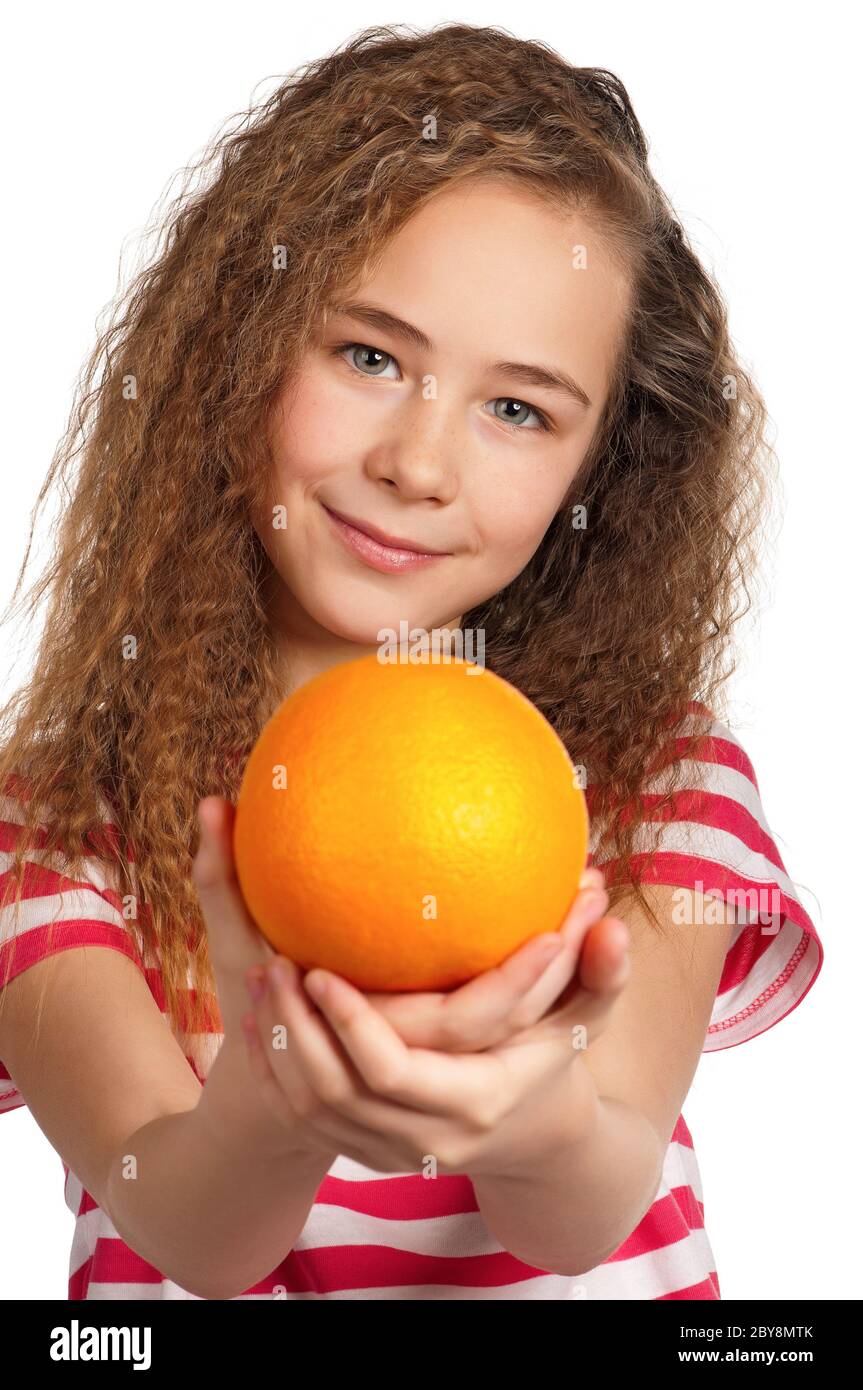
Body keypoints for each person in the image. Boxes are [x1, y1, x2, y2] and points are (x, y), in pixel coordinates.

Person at [0, 22, 822, 1300]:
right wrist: (272, 1102)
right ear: (239, 341)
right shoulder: (57, 825)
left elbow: (587, 1207)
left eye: (516, 409)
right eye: (369, 355)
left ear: (601, 468)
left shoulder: (661, 783)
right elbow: (189, 1230)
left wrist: (528, 1109)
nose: (418, 466)